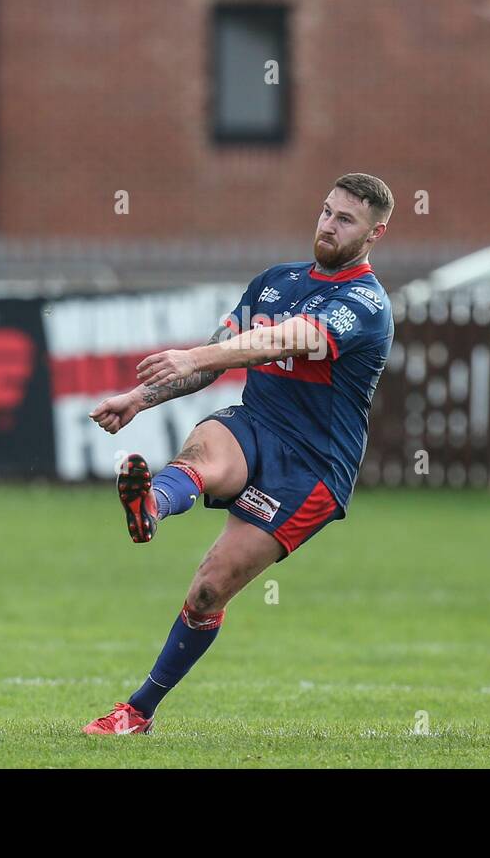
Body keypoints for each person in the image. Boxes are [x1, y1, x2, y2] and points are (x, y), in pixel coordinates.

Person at [82, 173, 395, 734]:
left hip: (313, 468)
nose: (328, 224)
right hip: (255, 425)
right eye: (326, 211)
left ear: (375, 234)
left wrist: (196, 355)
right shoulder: (275, 281)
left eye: (346, 220)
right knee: (204, 454)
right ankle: (150, 504)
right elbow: (217, 362)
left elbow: (280, 340)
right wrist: (138, 399)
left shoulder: (365, 305)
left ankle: (140, 709)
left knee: (208, 591)